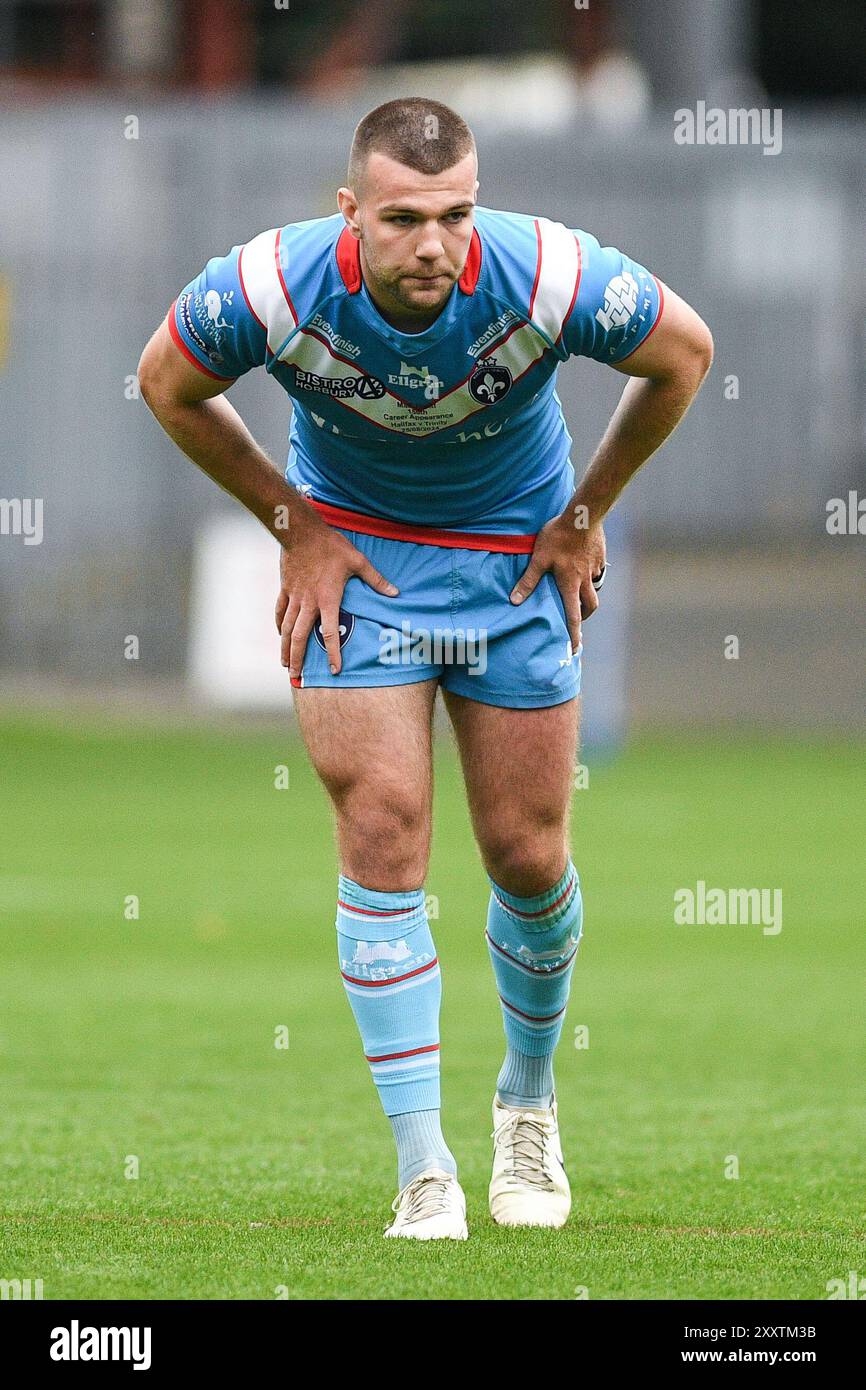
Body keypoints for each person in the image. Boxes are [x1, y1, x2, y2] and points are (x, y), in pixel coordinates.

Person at [138, 97, 713, 1241]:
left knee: (527, 854)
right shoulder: (270, 285)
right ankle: (424, 1169)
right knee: (385, 827)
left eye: (455, 214)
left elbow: (683, 353)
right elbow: (166, 383)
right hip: (359, 563)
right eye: (404, 219)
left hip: (514, 563)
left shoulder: (545, 272)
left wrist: (582, 512)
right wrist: (289, 523)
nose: (435, 244)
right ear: (350, 212)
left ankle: (527, 1104)